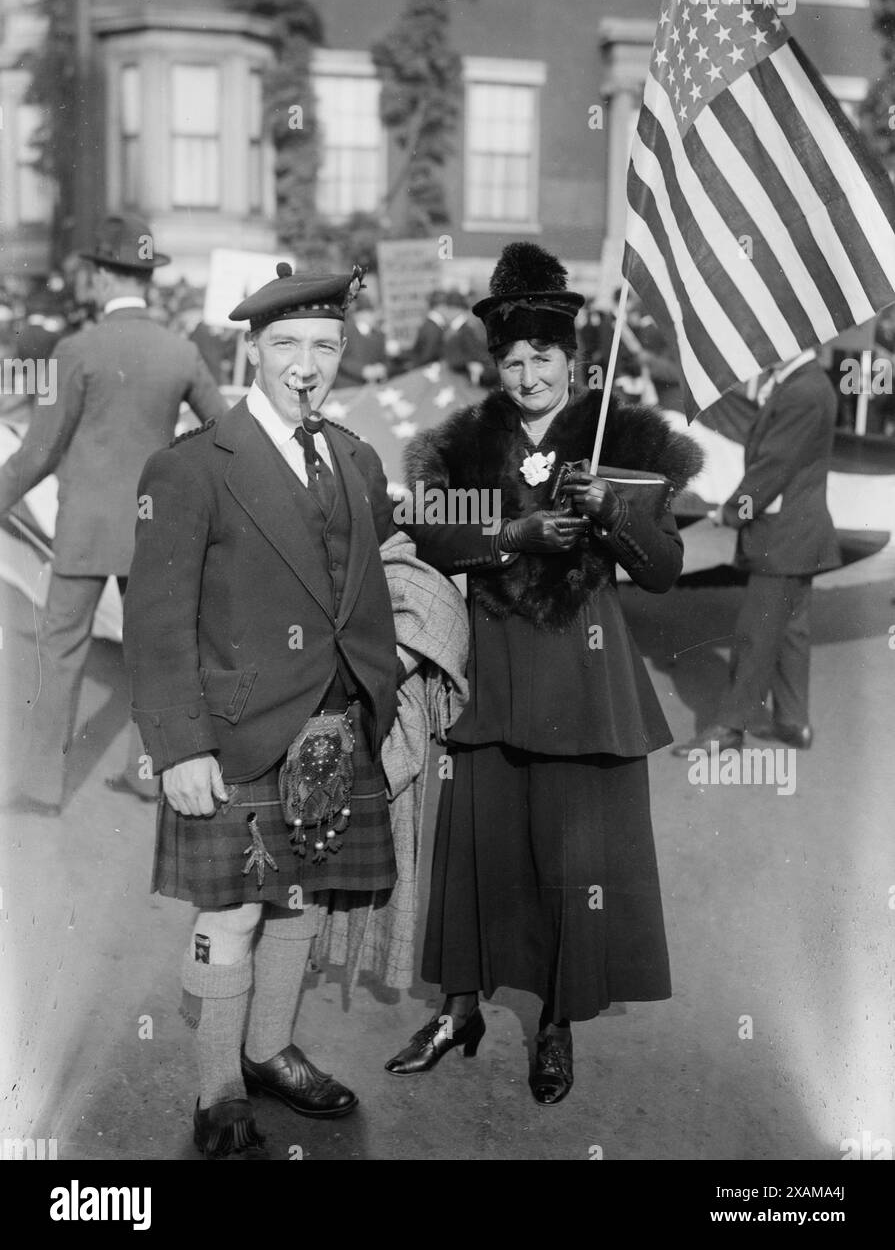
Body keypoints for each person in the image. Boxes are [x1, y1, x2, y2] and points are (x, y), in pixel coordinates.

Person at [384, 242, 703, 1104]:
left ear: (574, 361)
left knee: (572, 858)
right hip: (490, 672)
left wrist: (611, 511)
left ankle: (556, 1023)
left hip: (581, 679)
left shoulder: (621, 438)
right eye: (512, 360)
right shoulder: (465, 440)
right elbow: (431, 532)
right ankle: (459, 1008)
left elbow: (664, 567)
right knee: (478, 844)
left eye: (542, 358)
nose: (525, 375)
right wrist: (509, 539)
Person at [123, 262, 418, 1160]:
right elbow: (157, 620)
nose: (306, 363)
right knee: (231, 916)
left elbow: (378, 564)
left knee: (301, 904)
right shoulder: (188, 467)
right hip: (240, 732)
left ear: (341, 356)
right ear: (252, 352)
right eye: (286, 344)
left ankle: (269, 1048)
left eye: (324, 346)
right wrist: (177, 746)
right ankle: (218, 1089)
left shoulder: (357, 458)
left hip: (335, 730)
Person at [0, 212, 226, 815]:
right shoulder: (181, 351)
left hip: (84, 530)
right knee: (152, 652)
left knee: (61, 649)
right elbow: (222, 433)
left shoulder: (74, 350)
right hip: (155, 530)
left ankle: (42, 786)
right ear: (146, 281)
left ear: (101, 279)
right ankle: (148, 772)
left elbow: (38, 453)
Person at [672, 348, 840, 755]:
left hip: (783, 537)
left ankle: (730, 726)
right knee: (791, 629)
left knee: (756, 632)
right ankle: (793, 722)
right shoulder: (803, 384)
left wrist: (731, 512)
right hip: (798, 533)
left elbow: (773, 466)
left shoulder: (803, 390)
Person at [333, 300, 388, 387]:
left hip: (372, 387)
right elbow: (339, 358)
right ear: (360, 314)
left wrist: (382, 368)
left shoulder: (379, 334)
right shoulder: (346, 331)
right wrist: (362, 370)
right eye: (371, 312)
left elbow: (383, 358)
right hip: (348, 386)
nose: (376, 317)